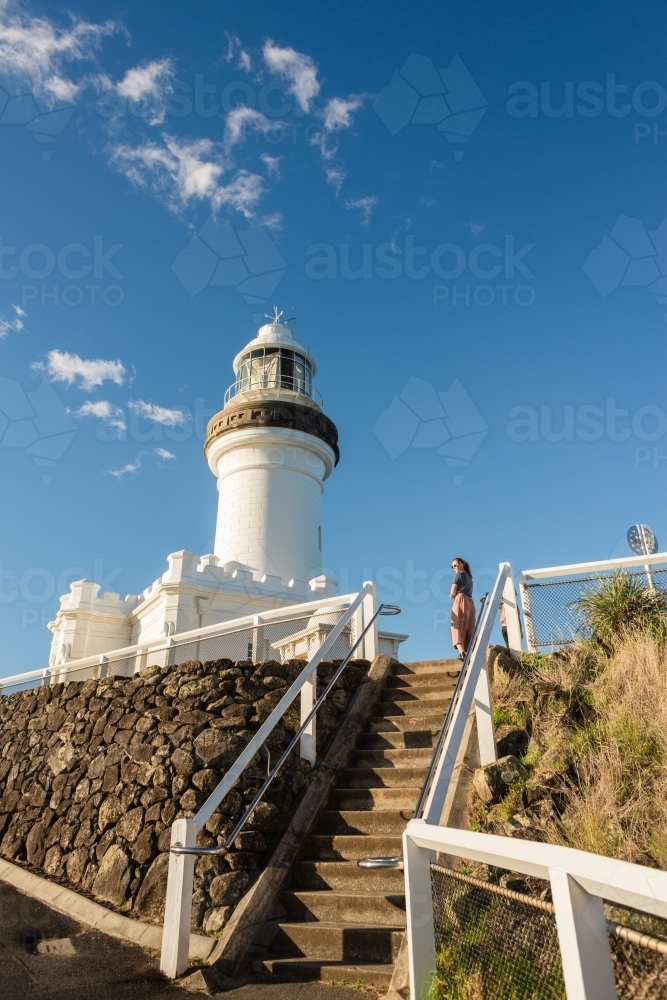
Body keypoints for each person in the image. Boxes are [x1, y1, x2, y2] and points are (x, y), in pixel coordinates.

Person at [450, 557, 475, 659]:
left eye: (455, 565)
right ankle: (469, 651)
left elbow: (452, 592)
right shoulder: (470, 578)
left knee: (457, 625)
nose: (454, 568)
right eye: (452, 567)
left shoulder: (459, 575)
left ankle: (462, 652)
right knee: (470, 627)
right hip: (470, 602)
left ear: (461, 564)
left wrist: (452, 595)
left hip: (461, 599)